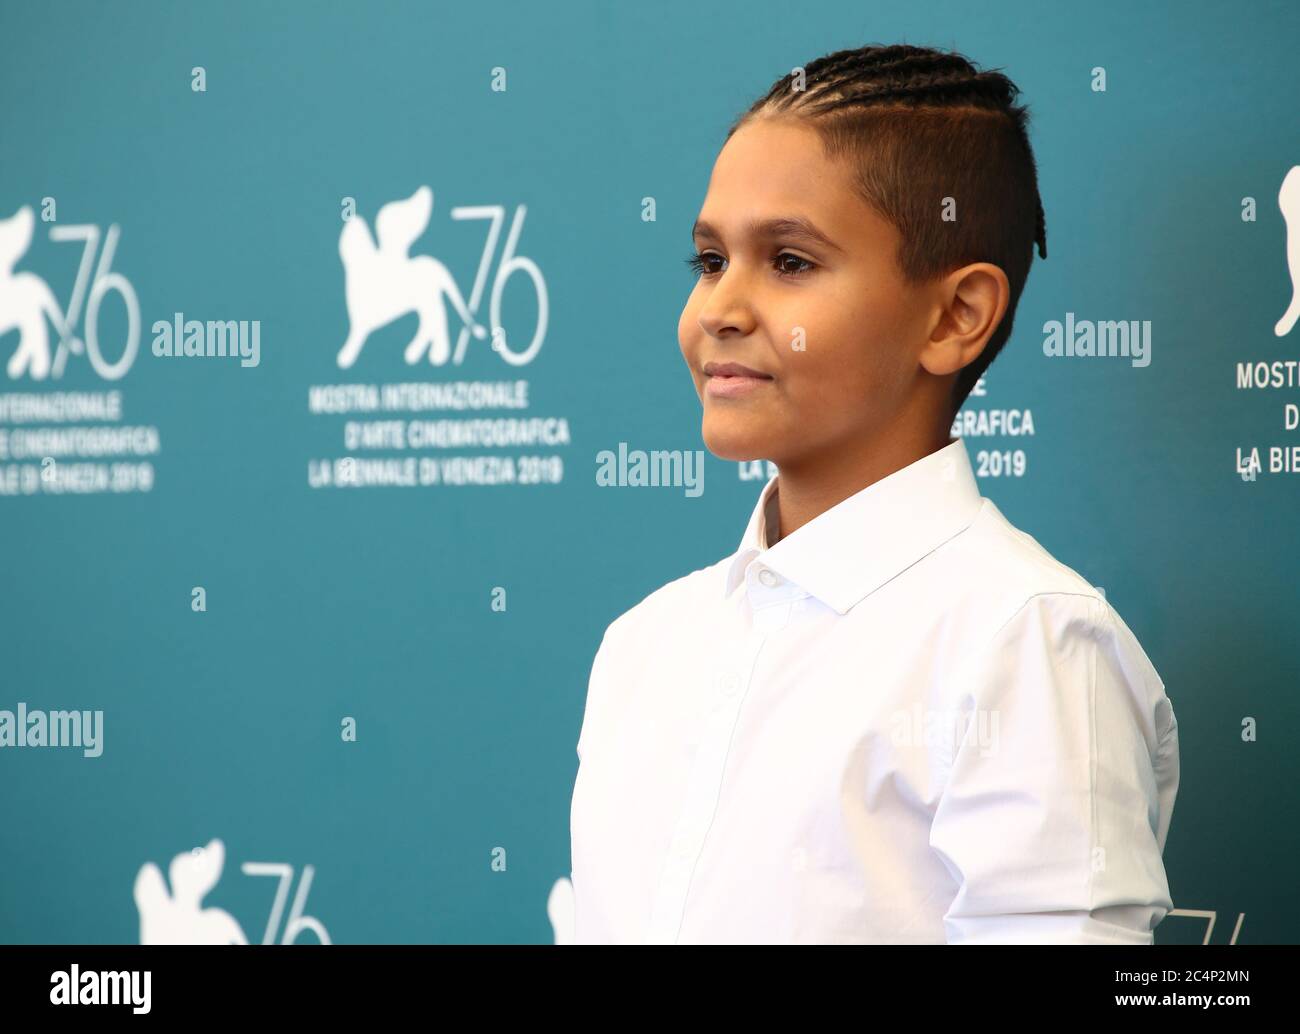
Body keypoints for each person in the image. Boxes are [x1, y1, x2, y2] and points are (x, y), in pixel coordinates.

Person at [569, 43, 1178, 944]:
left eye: (789, 262)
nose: (720, 309)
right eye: (708, 260)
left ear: (955, 316)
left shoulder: (1027, 644)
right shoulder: (645, 645)